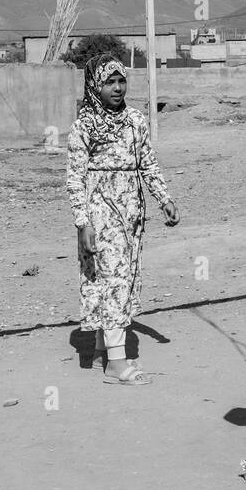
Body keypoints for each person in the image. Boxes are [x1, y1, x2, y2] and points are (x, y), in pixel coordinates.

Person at [66, 55, 179, 385]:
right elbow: (74, 178)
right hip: (101, 211)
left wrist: (164, 198)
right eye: (108, 82)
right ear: (94, 86)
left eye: (121, 81)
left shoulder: (135, 121)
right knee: (113, 279)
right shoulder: (83, 126)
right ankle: (117, 364)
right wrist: (82, 221)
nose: (117, 88)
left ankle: (103, 347)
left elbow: (148, 165)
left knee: (122, 277)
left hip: (132, 211)